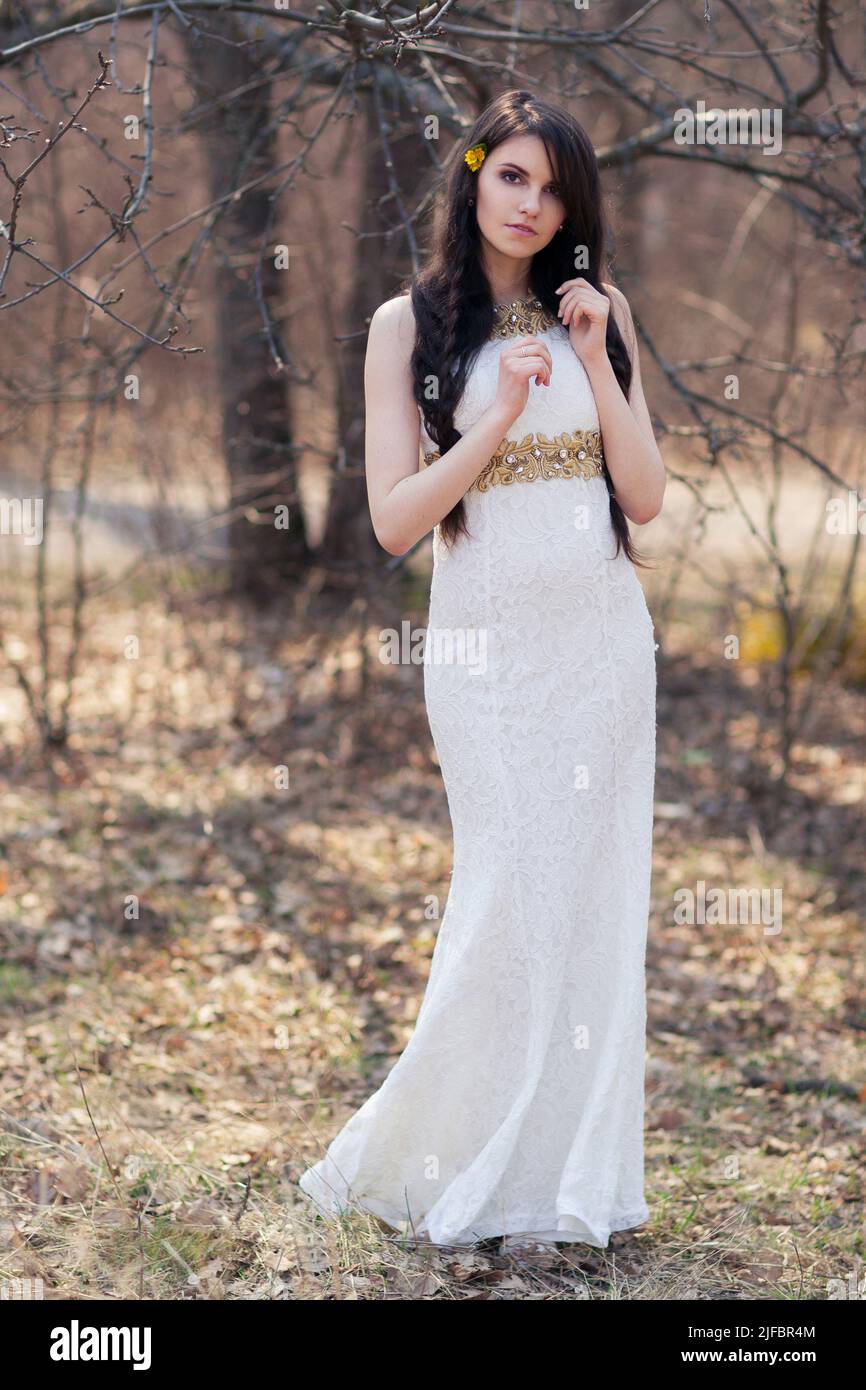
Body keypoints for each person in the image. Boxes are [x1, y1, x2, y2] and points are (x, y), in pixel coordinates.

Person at [298, 89, 665, 1255]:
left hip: (603, 647)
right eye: (511, 176)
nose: (530, 204)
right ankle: (455, 1156)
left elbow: (644, 497)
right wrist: (491, 424)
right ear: (472, 178)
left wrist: (596, 360)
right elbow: (396, 520)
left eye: (553, 188)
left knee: (589, 901)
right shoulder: (407, 326)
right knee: (508, 892)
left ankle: (559, 1186)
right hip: (486, 656)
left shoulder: (598, 316)